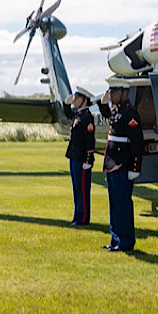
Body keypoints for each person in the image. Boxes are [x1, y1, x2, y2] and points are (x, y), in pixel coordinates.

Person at [97, 78, 144, 252]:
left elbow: (137, 143)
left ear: (124, 92)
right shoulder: (118, 111)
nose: (111, 95)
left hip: (123, 165)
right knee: (115, 205)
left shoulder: (130, 113)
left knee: (122, 205)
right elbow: (106, 115)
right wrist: (101, 103)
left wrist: (135, 168)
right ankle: (115, 239)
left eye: (114, 92)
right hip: (113, 164)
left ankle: (125, 241)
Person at [62, 86, 95, 226]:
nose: (74, 100)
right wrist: (66, 102)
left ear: (84, 100)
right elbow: (67, 112)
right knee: (77, 189)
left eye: (77, 98)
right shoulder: (78, 115)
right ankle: (78, 215)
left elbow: (89, 140)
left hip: (82, 159)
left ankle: (83, 218)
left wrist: (89, 159)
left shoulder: (87, 117)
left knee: (82, 189)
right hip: (74, 157)